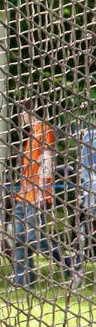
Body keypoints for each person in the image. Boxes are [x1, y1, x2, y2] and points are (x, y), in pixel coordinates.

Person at [12, 101, 71, 288]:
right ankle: (23, 282)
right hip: (23, 194)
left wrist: (41, 191)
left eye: (22, 113)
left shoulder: (45, 131)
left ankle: (71, 265)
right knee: (19, 239)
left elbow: (48, 163)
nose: (20, 117)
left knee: (37, 240)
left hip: (35, 194)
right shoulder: (32, 134)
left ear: (28, 113)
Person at [76, 121, 96, 286]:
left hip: (89, 196)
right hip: (91, 194)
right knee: (84, 233)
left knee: (83, 234)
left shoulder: (87, 136)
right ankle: (78, 272)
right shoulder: (89, 136)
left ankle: (78, 273)